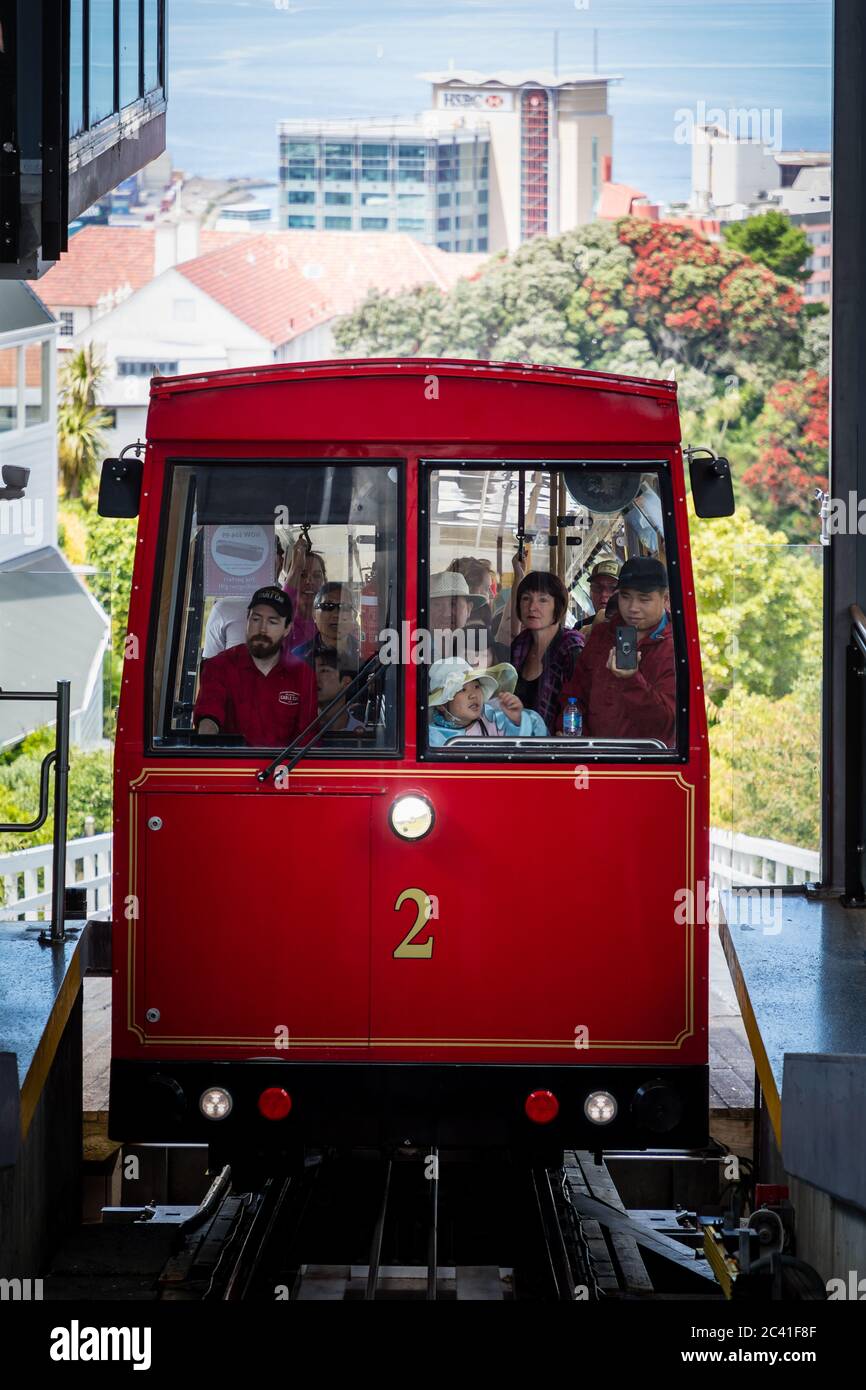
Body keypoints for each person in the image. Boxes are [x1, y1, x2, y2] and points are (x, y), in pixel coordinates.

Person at [556, 556, 676, 745]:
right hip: (593, 759)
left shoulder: (674, 649)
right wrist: (574, 736)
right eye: (625, 596)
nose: (633, 608)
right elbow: (575, 693)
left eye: (644, 599)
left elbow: (666, 725)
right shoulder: (603, 634)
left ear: (665, 599)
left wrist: (631, 680)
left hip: (647, 766)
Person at [193, 586, 317, 746]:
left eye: (272, 622)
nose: (262, 629)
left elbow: (306, 739)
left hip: (282, 769)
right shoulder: (219, 666)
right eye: (256, 619)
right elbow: (208, 718)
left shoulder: (302, 675)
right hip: (230, 767)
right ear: (247, 620)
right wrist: (207, 742)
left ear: (287, 629)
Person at [508, 571, 585, 733]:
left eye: (543, 600)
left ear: (558, 606)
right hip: (519, 740)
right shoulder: (520, 645)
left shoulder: (571, 648)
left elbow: (581, 704)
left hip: (557, 746)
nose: (532, 607)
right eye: (526, 598)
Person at [202, 525, 295, 660]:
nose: (263, 565)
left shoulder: (290, 604)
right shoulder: (225, 608)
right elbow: (209, 667)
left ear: (280, 563)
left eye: (269, 558)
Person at [427, 657, 547, 745]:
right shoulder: (433, 736)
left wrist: (517, 720)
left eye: (477, 687)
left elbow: (531, 745)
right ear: (442, 705)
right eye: (462, 690)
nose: (473, 695)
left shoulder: (494, 718)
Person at [429, 570, 489, 660]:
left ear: (469, 609)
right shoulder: (411, 651)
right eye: (437, 605)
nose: (446, 613)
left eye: (453, 604)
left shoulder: (482, 652)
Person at [314, 649, 365, 734]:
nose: (314, 678)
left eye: (324, 671)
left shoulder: (363, 737)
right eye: (310, 671)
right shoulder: (300, 736)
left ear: (346, 682)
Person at [577, 559, 621, 631]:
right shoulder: (580, 628)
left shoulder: (635, 626)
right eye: (597, 587)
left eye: (612, 588)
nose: (604, 594)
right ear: (590, 591)